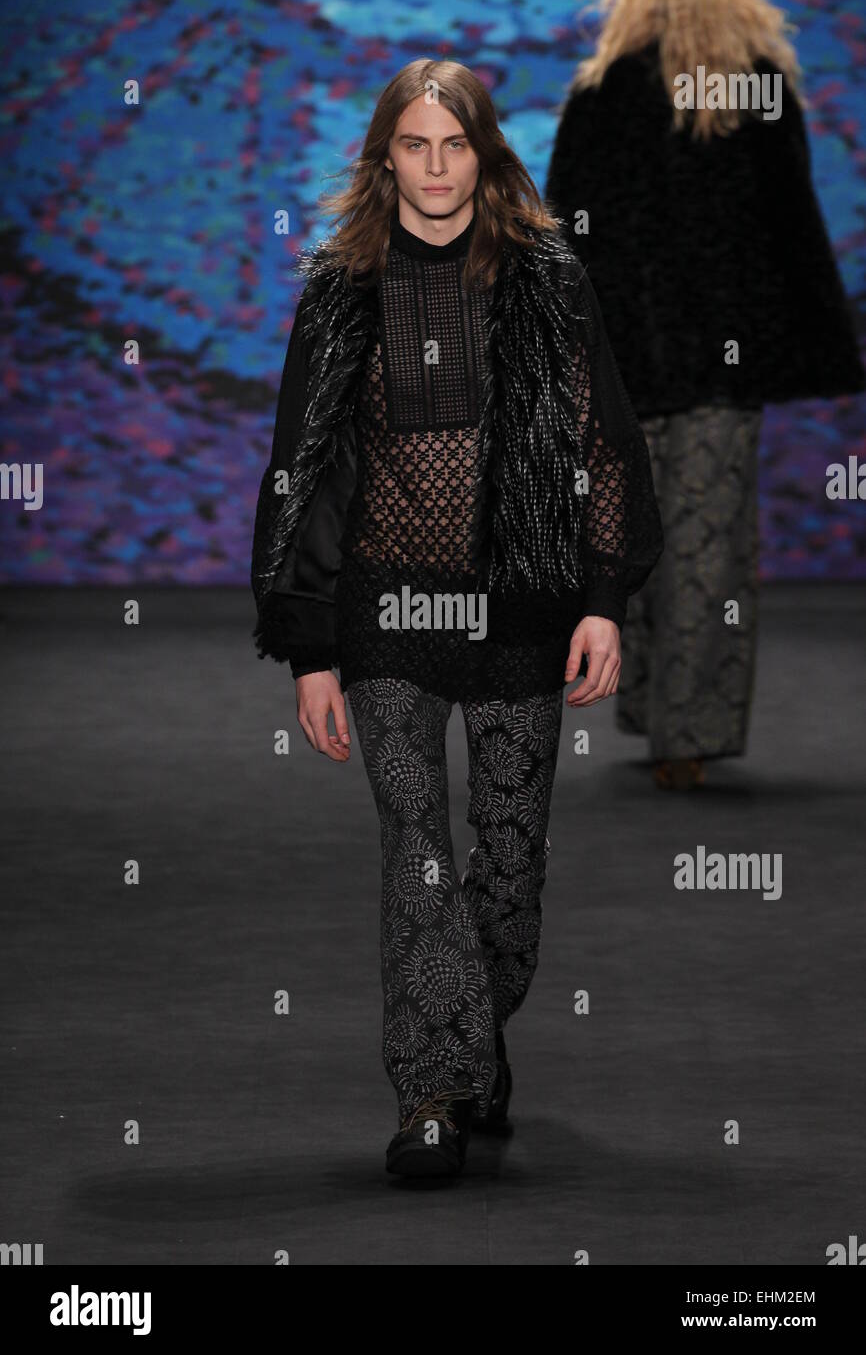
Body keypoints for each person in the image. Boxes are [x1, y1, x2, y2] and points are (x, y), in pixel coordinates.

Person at [250, 57, 663, 1178]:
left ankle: (471, 1032)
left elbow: (599, 446)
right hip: (384, 611)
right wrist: (308, 644)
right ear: (383, 156)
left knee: (511, 861)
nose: (435, 167)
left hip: (518, 610)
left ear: (484, 152)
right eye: (413, 145)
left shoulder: (544, 279)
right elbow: (307, 468)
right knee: (418, 853)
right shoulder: (340, 287)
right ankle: (430, 1088)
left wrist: (600, 601)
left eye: (455, 144)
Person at [545, 0, 864, 792]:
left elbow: (566, 231)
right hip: (728, 359)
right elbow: (794, 221)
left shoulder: (602, 92)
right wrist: (826, 346)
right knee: (711, 545)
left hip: (629, 357)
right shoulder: (758, 93)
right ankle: (689, 734)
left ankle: (648, 707)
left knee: (634, 537)